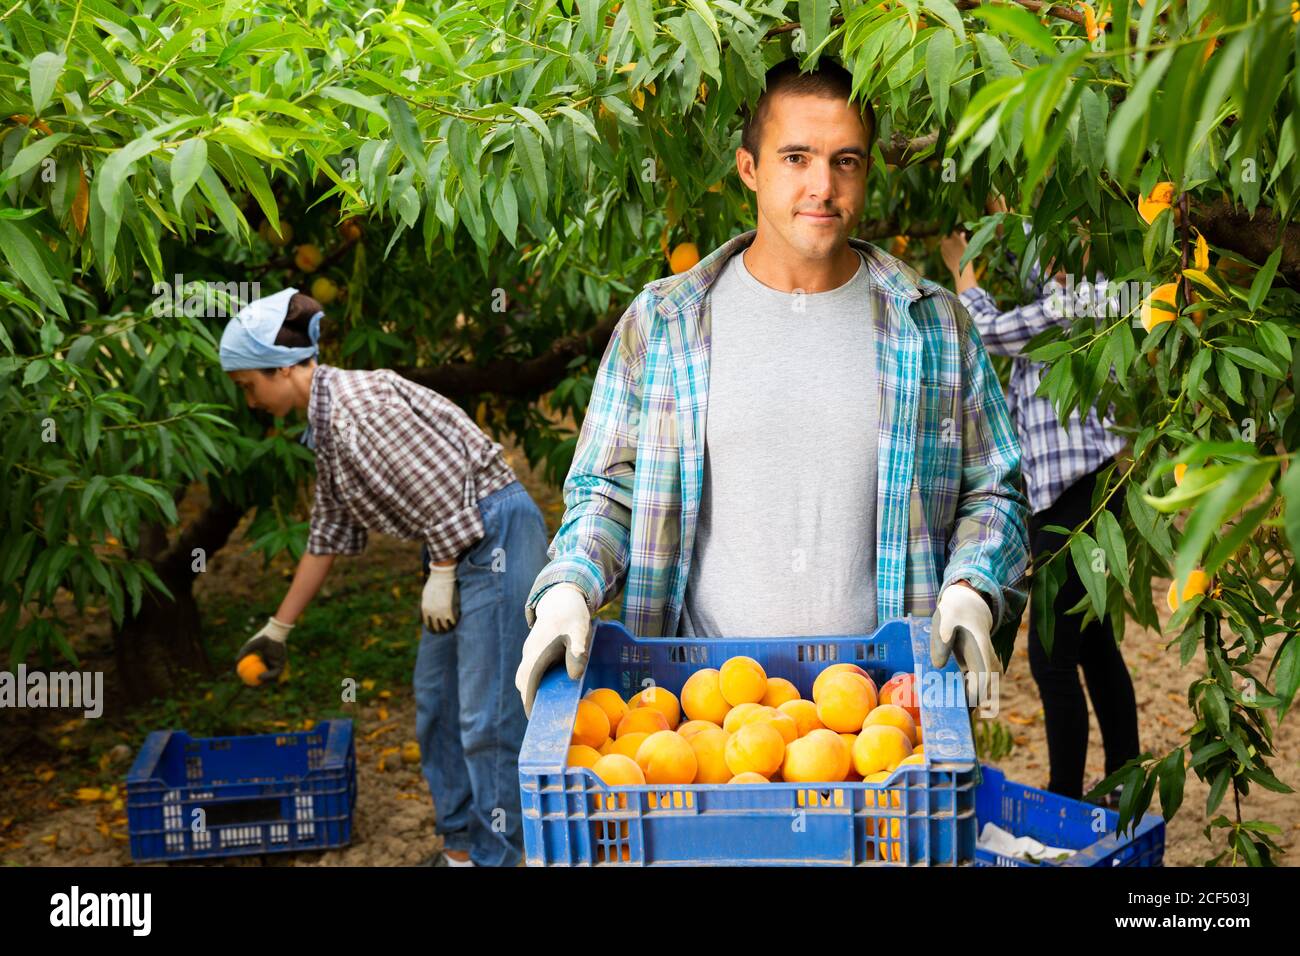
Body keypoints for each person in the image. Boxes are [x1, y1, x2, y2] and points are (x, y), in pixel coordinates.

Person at [515, 59, 1030, 719]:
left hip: (886, 722)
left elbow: (994, 491)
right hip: (702, 719)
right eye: (796, 158)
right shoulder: (666, 323)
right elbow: (607, 493)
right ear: (749, 168)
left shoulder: (932, 326)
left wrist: (973, 589)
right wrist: (569, 589)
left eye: (846, 161)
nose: (823, 185)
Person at [218, 286, 549, 866]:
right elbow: (326, 533)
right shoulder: (327, 424)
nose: (250, 402)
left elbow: (447, 490)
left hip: (490, 533)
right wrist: (277, 629)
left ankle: (501, 857)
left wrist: (442, 571)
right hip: (456, 547)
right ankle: (462, 849)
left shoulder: (356, 411)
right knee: (436, 703)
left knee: (488, 716)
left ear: (282, 368)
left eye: (250, 386)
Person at [940, 204, 1139, 806]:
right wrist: (1005, 214)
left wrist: (963, 273)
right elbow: (1035, 254)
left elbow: (993, 333)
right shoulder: (1058, 279)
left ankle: (1066, 801)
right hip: (1075, 493)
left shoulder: (1090, 297)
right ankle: (1123, 786)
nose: (1050, 257)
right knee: (1096, 643)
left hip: (1081, 496)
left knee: (1052, 658)